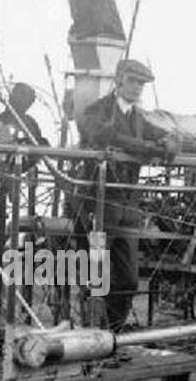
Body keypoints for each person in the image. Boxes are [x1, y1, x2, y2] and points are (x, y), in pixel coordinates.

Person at [73, 58, 178, 337]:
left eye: (141, 84)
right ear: (118, 80)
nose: (136, 88)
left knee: (129, 279)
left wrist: (168, 143)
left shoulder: (140, 119)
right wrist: (145, 147)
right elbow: (101, 135)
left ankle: (111, 337)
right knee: (96, 276)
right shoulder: (97, 110)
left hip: (127, 207)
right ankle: (91, 338)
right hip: (99, 205)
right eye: (132, 81)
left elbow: (170, 138)